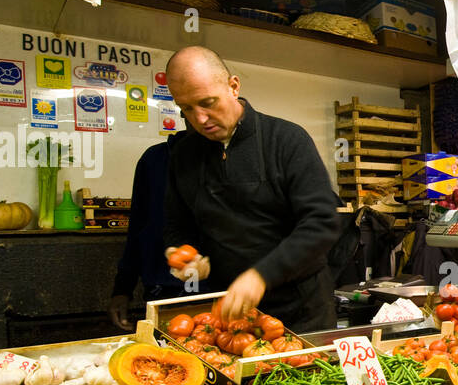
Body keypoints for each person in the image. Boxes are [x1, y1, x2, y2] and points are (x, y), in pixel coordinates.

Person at [161, 46, 341, 333]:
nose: (200, 119)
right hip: (231, 312)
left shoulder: (286, 140)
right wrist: (183, 254)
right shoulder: (184, 155)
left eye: (207, 102)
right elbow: (176, 224)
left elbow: (321, 223)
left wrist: (260, 276)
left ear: (233, 86)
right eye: (186, 108)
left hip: (302, 310)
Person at [108, 136, 186, 331]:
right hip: (163, 290)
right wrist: (123, 288)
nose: (202, 117)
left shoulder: (229, 157)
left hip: (222, 293)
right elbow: (138, 226)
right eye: (190, 109)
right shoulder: (155, 159)